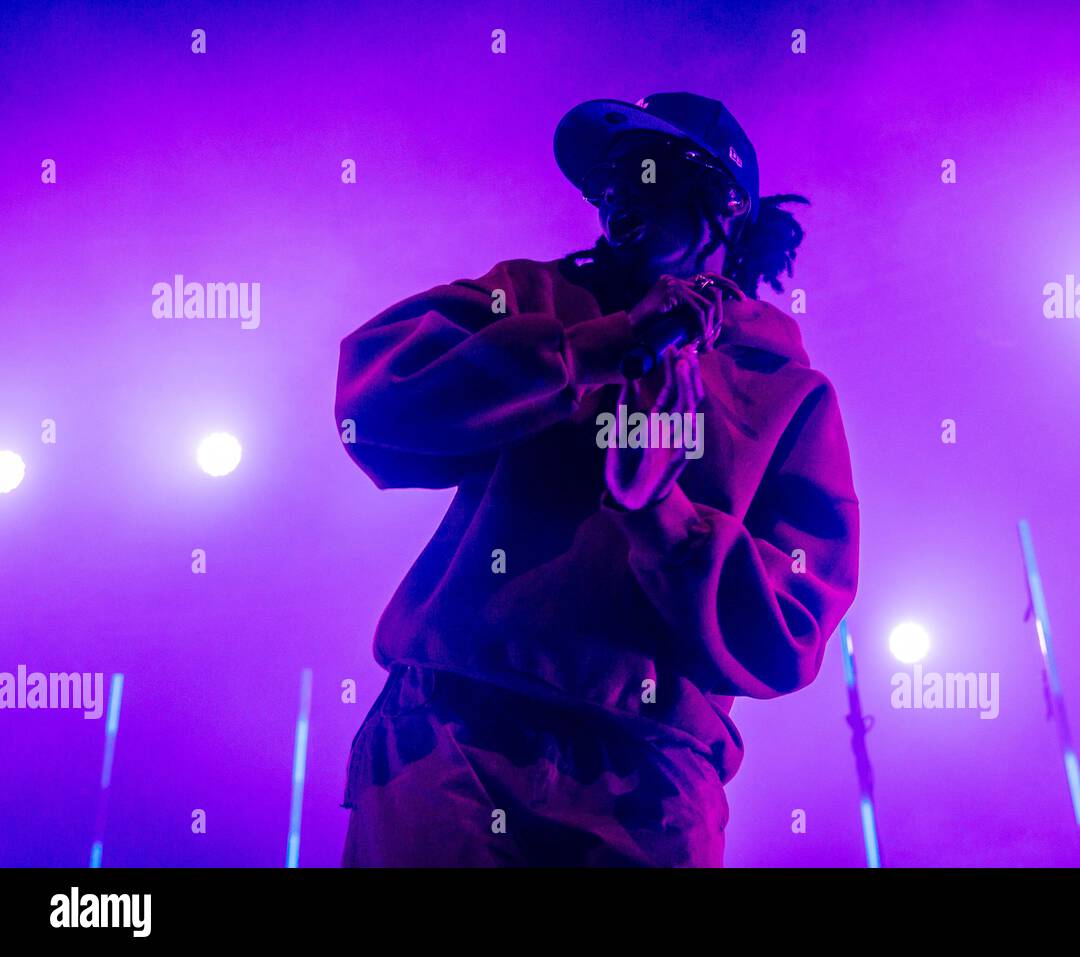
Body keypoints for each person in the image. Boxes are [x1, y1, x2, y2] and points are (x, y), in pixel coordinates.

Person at [335, 92, 859, 867]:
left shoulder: (788, 393)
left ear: (722, 203)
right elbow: (375, 397)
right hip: (451, 734)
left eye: (646, 172)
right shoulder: (540, 298)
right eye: (610, 178)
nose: (618, 192)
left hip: (645, 781)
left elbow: (792, 629)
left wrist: (665, 517)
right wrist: (585, 352)